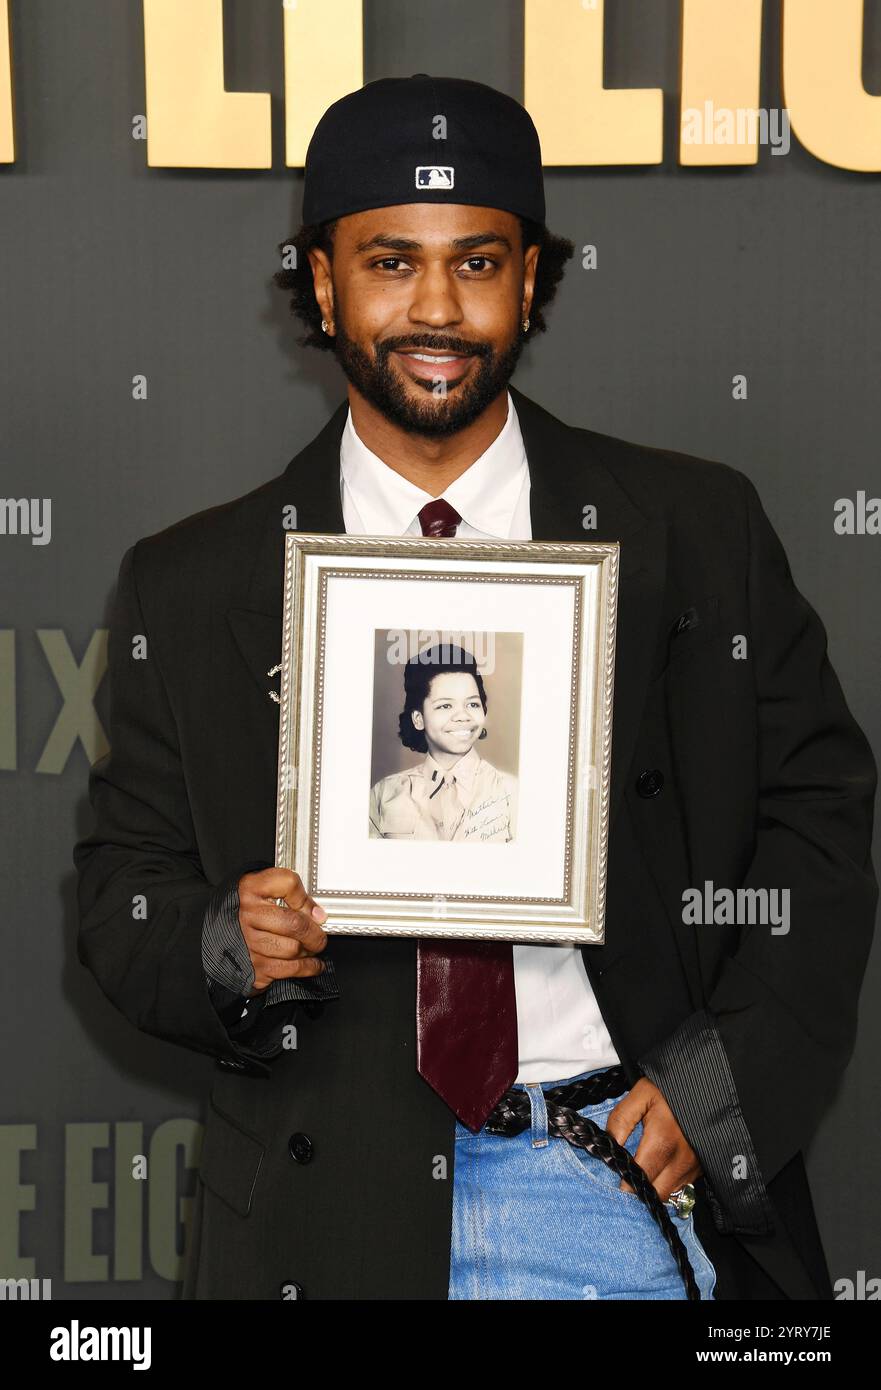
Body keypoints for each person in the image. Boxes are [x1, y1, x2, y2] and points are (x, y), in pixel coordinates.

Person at [72, 75, 877, 1302]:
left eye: (479, 263)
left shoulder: (694, 531)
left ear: (532, 278)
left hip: (618, 1178)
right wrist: (225, 943)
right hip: (326, 1211)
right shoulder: (192, 583)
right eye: (391, 262)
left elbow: (818, 830)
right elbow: (119, 898)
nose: (436, 308)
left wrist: (722, 1085)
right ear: (324, 280)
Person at [368, 643, 517, 843]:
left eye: (472, 704)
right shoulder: (384, 793)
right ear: (418, 719)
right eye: (445, 705)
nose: (463, 716)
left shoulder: (513, 792)